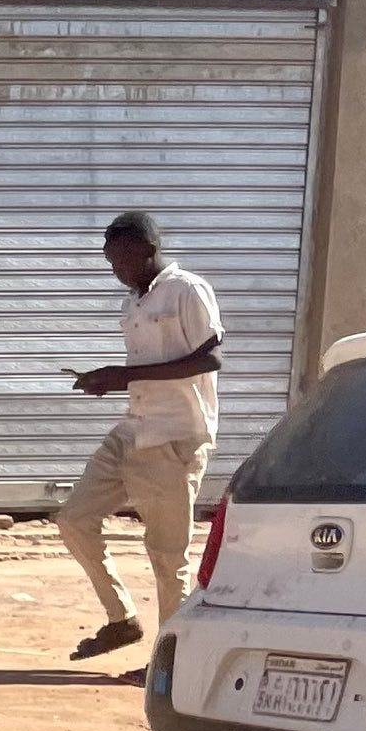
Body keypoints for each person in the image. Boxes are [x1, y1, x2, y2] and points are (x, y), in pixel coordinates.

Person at [58, 211, 224, 670]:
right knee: (74, 520)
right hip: (134, 427)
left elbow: (210, 358)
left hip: (175, 436)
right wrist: (105, 380)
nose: (116, 268)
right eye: (109, 260)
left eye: (121, 258)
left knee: (168, 555)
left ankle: (173, 661)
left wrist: (122, 375)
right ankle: (122, 619)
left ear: (147, 249)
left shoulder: (187, 289)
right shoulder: (135, 303)